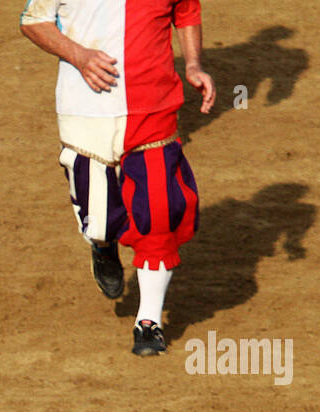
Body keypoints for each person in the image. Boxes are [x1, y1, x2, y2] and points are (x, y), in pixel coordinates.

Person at [20, 0, 214, 355]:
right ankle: (103, 244)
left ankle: (148, 322)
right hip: (85, 109)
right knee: (100, 219)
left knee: (160, 209)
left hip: (154, 107)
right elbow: (34, 22)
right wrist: (79, 56)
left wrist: (194, 64)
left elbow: (185, 10)